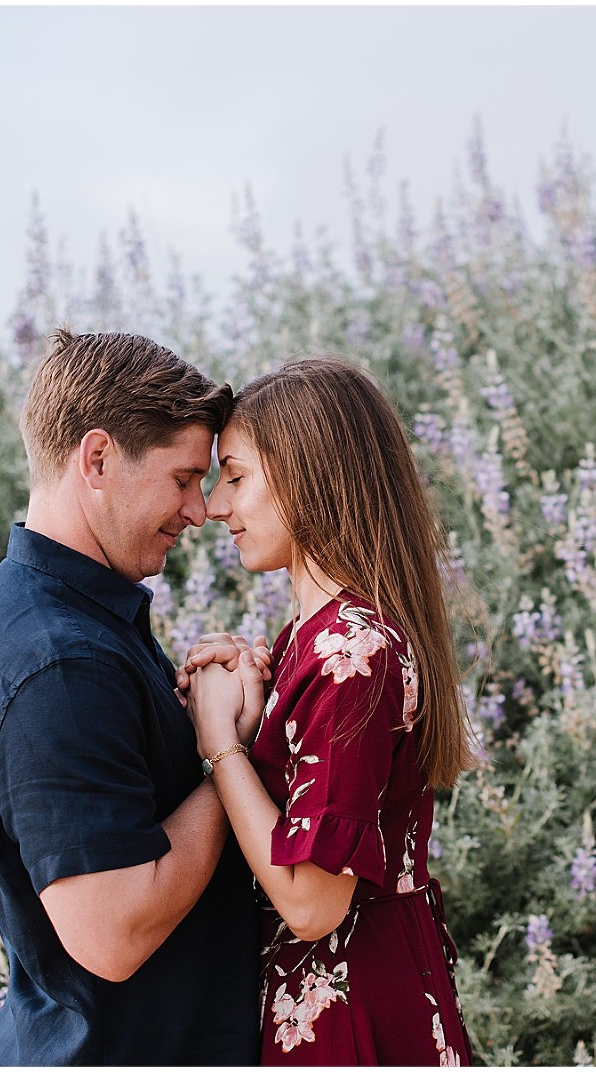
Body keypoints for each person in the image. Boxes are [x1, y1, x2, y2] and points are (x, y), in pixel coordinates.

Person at [0, 328, 259, 1064]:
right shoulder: (58, 664)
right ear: (97, 458)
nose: (199, 509)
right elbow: (112, 933)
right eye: (183, 477)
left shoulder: (71, 618)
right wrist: (231, 752)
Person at [181, 354, 477, 1065]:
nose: (217, 505)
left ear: (310, 475)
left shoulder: (351, 654)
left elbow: (312, 904)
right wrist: (253, 720)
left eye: (237, 475)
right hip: (352, 994)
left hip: (350, 1012)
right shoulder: (316, 642)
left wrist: (220, 743)